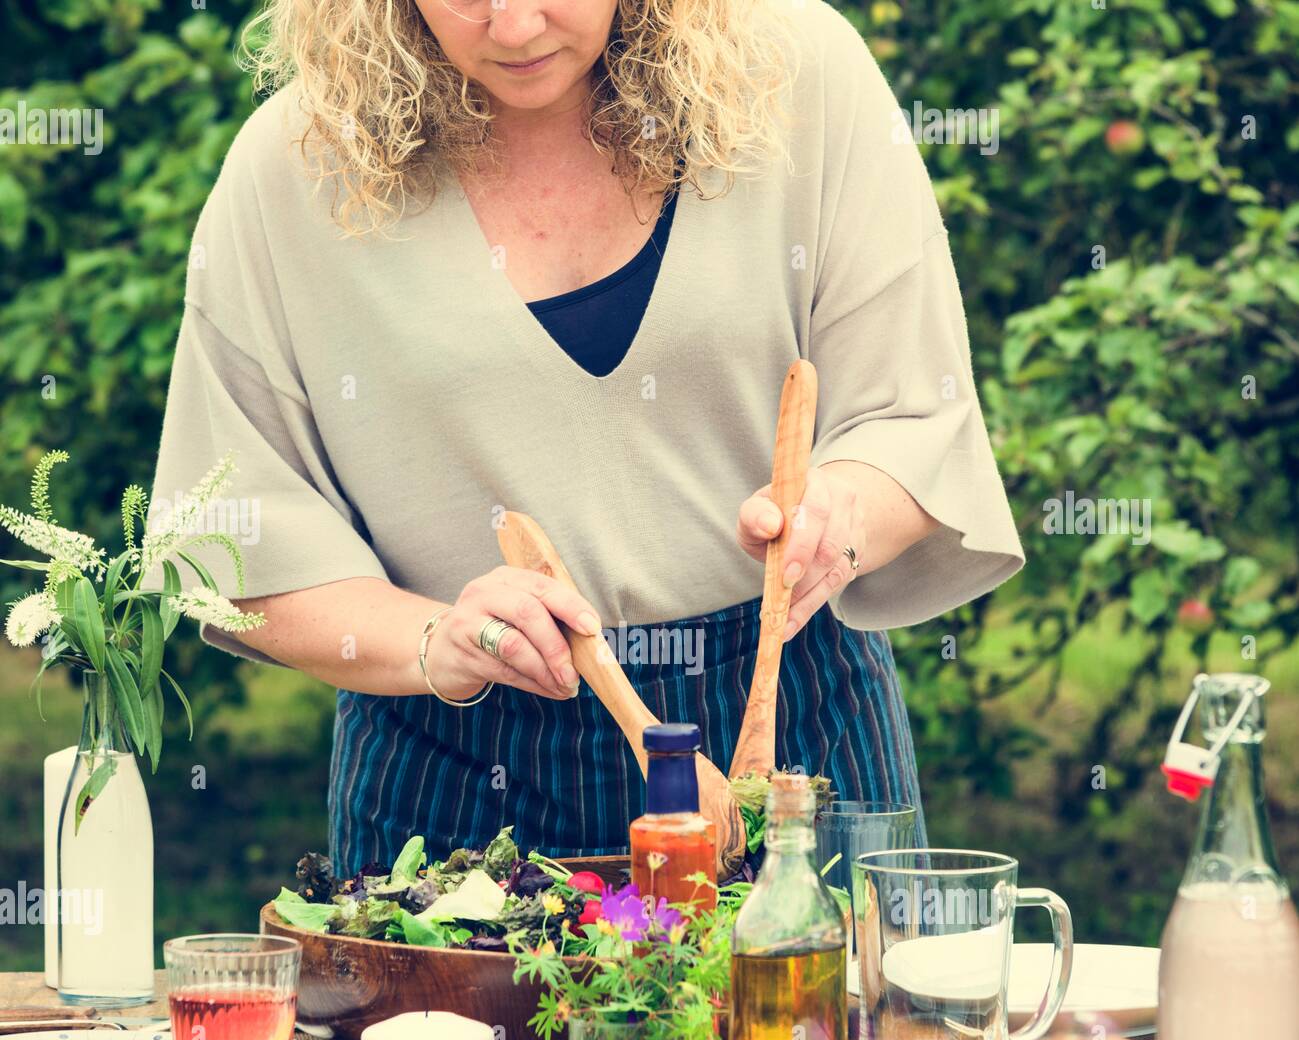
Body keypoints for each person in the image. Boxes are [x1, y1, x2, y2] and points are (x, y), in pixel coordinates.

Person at [150, 0, 1024, 871]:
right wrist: (439, 642)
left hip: (790, 719)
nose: (516, 26)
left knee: (817, 1013)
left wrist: (843, 516)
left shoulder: (798, 77)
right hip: (456, 759)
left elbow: (913, 417)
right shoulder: (299, 164)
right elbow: (230, 543)